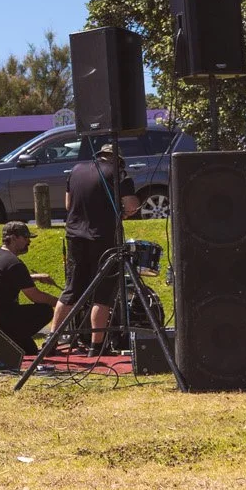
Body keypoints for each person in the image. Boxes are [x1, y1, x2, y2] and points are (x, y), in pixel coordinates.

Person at [51, 140, 140, 352]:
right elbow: (131, 206)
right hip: (103, 239)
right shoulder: (119, 175)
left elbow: (67, 204)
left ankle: (51, 341)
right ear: (118, 161)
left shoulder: (76, 170)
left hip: (75, 237)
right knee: (103, 293)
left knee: (71, 290)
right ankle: (97, 346)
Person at [0, 221, 60, 354]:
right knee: (45, 310)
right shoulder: (14, 263)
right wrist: (61, 303)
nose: (29, 242)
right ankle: (11, 338)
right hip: (0, 319)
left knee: (29, 350)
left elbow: (4, 277)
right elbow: (36, 297)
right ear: (13, 238)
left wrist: (35, 277)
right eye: (25, 238)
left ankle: (12, 342)